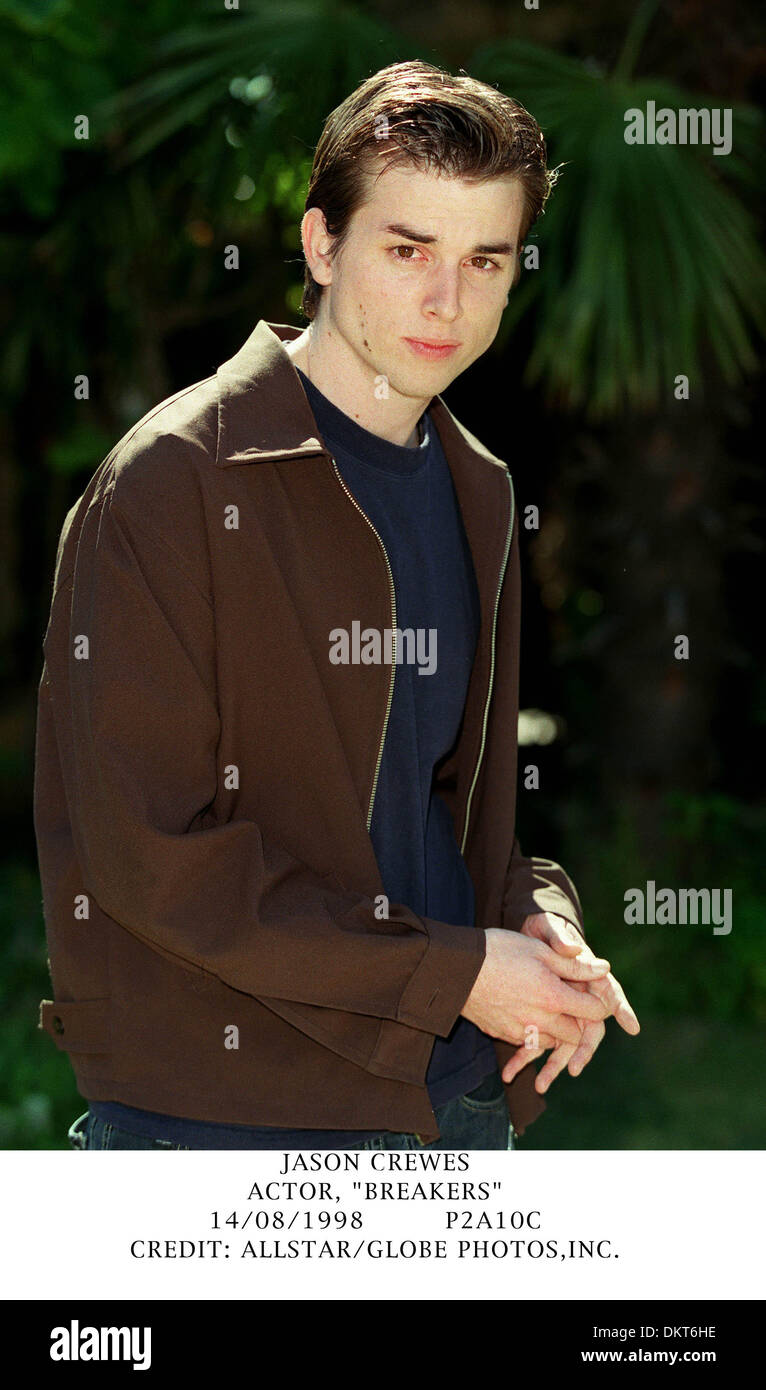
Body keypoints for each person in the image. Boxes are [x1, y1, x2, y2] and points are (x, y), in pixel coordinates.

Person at [34, 59, 639, 1153]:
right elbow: (149, 856)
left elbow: (445, 804)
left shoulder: (478, 488)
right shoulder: (174, 483)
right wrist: (454, 969)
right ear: (321, 244)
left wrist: (537, 922)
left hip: (453, 1103)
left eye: (482, 260)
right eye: (407, 251)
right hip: (225, 1122)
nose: (446, 301)